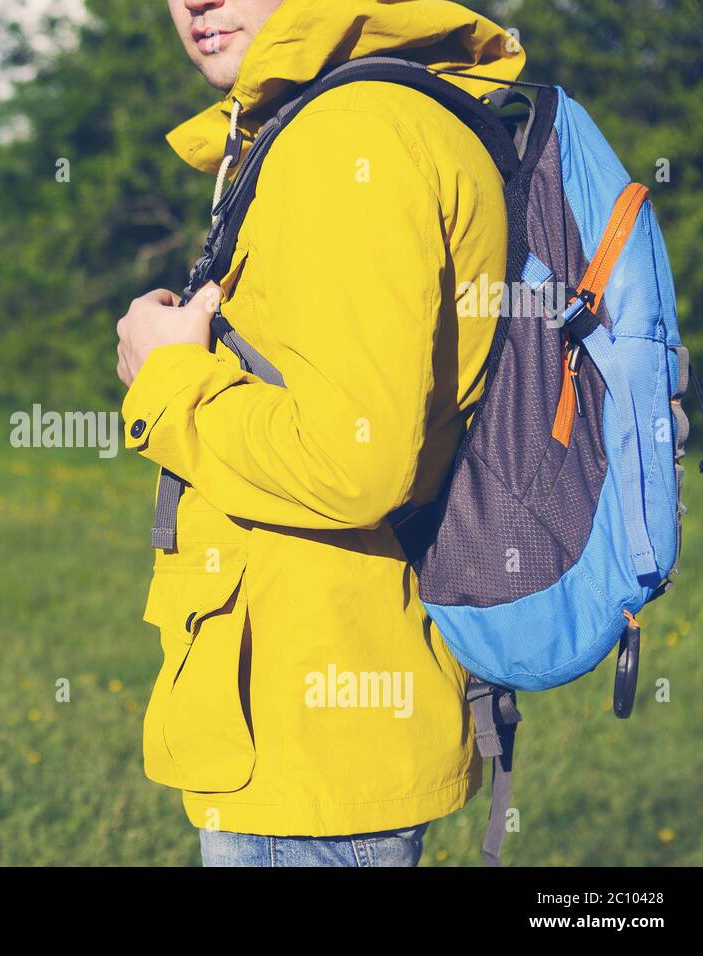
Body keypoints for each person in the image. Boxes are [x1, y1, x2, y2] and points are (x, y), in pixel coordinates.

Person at [115, 0, 525, 867]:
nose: (193, 0)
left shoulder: (349, 137)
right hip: (327, 705)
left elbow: (350, 463)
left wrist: (168, 380)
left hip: (308, 727)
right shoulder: (382, 112)